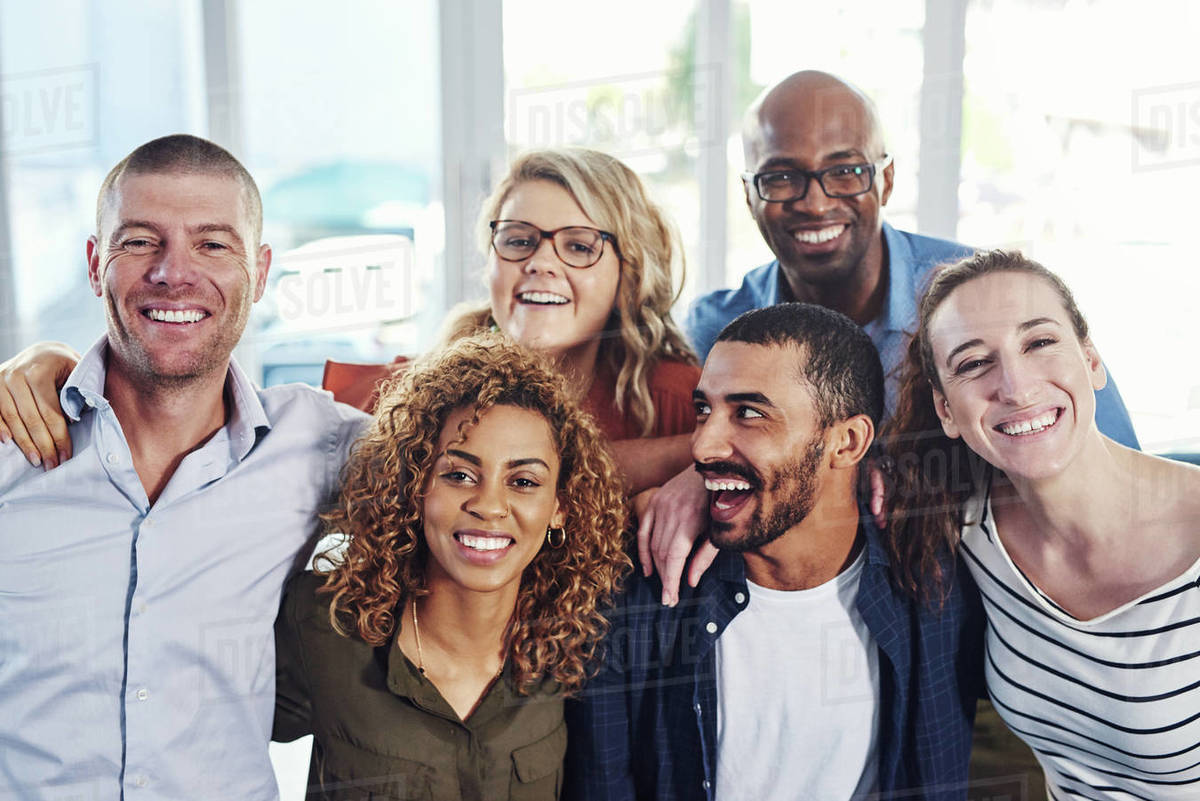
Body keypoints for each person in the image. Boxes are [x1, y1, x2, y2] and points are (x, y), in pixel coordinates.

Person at [0, 135, 367, 798]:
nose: (174, 272)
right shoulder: (10, 441)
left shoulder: (314, 443)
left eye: (212, 244)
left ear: (258, 272)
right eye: (140, 240)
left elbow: (509, 451)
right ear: (94, 263)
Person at [1, 148, 700, 493]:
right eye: (519, 238)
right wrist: (58, 368)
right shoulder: (407, 395)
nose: (542, 263)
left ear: (627, 265)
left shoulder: (683, 399)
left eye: (578, 245)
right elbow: (205, 408)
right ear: (490, 257)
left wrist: (705, 461)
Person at [563, 303, 983, 801]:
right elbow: (601, 785)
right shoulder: (643, 590)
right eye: (704, 410)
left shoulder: (930, 584)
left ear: (847, 442)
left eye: (749, 414)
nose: (701, 446)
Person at [883, 250, 1200, 799]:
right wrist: (704, 477)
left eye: (1039, 343)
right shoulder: (963, 527)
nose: (1017, 386)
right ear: (946, 411)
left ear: (1092, 360)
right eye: (973, 363)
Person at [274, 334, 630, 800]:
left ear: (559, 507)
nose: (489, 505)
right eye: (459, 475)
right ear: (416, 485)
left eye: (523, 481)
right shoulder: (323, 624)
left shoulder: (572, 644)